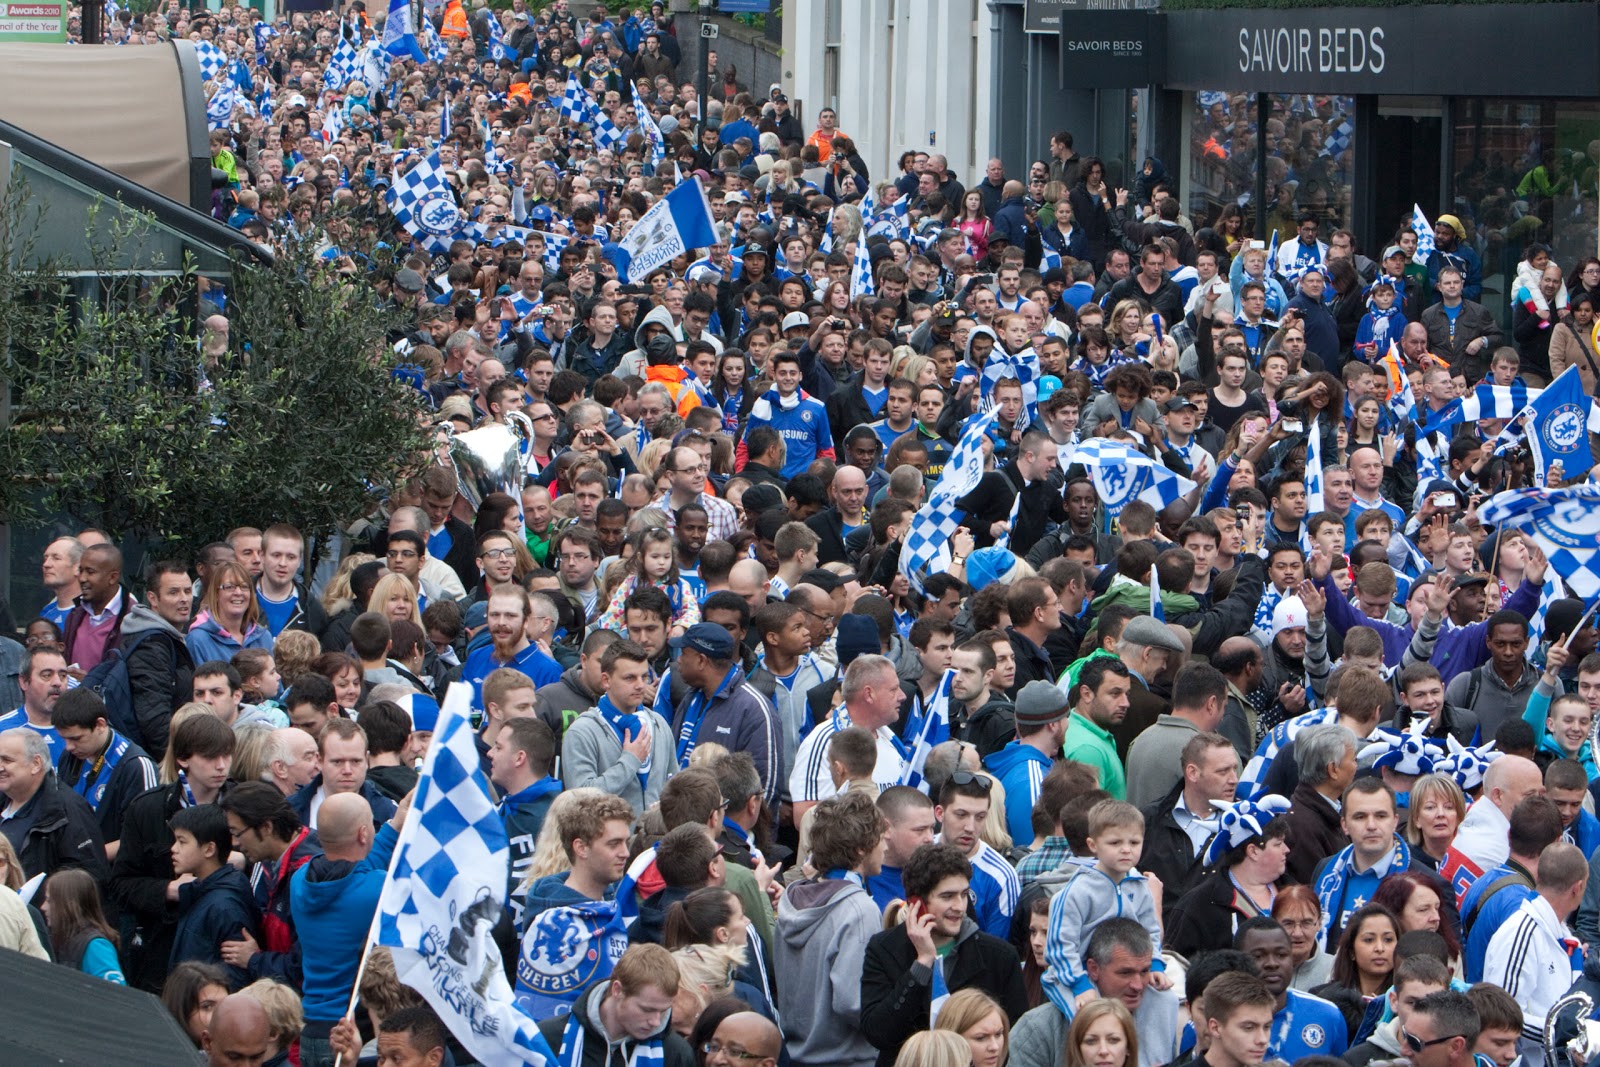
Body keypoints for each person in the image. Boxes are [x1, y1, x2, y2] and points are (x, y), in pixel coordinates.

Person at [860, 843, 1028, 1067]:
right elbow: (878, 1032)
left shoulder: (999, 957)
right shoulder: (883, 949)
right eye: (947, 896)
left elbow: (1014, 1040)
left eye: (964, 894)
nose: (959, 906)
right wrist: (922, 964)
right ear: (916, 903)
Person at [292, 791, 405, 1067]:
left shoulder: (298, 881)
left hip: (310, 1027)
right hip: (350, 1035)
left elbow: (355, 873)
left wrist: (392, 827)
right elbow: (364, 877)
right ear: (364, 834)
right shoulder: (378, 889)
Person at [775, 789, 887, 1067]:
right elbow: (853, 1003)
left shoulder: (792, 898)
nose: (885, 847)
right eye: (882, 839)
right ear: (861, 848)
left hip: (795, 1055)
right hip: (846, 1060)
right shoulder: (859, 909)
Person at [1045, 799, 1169, 1007]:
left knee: (1164, 1001)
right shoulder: (1079, 891)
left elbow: (1151, 931)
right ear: (1093, 845)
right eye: (1115, 843)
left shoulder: (1139, 886)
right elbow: (1060, 944)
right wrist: (1079, 984)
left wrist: (1154, 964)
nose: (1126, 850)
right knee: (1091, 1019)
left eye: (1134, 842)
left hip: (1129, 974)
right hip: (1074, 975)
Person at [1013, 918, 1181, 1067]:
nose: (1138, 985)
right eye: (1125, 973)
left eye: (1144, 972)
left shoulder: (1163, 1015)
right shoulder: (1038, 1028)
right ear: (1094, 969)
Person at [1483, 840, 1588, 1054]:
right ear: (1578, 888)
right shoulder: (1521, 933)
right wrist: (1564, 1035)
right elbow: (1503, 1016)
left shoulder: (1562, 933)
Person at [560, 638, 677, 812]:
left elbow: (673, 784)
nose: (640, 685)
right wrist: (630, 761)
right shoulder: (582, 731)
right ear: (606, 680)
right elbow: (581, 801)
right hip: (606, 837)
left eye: (644, 677)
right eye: (630, 678)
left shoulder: (658, 724)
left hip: (656, 837)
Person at [1168, 795, 1291, 956]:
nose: (1286, 849)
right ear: (1253, 851)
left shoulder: (1292, 891)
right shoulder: (1199, 906)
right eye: (1278, 844)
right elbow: (1176, 966)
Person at [49, 688, 157, 861]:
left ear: (100, 725)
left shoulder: (136, 766)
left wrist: (86, 857)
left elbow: (146, 837)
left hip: (116, 876)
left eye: (76, 738)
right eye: (64, 739)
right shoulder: (69, 756)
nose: (68, 746)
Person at [0, 726, 108, 884]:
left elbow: (88, 879)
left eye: (7, 760)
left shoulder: (67, 811)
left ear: (36, 763)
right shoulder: (5, 800)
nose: (0, 767)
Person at [167, 802, 261, 983]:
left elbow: (234, 977)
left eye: (182, 841)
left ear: (209, 849)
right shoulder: (201, 892)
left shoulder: (225, 906)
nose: (173, 849)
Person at [1233, 917, 1349, 1059]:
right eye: (1258, 956)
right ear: (1237, 962)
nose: (1272, 963)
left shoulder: (1328, 1016)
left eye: (1281, 955)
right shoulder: (1218, 1019)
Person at [984, 681, 1071, 846]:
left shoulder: (1014, 763)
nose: (1068, 724)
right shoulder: (1033, 781)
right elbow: (1034, 852)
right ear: (1053, 725)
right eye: (1066, 718)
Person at [43, 867, 124, 983]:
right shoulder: (56, 938)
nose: (43, 907)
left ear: (69, 905)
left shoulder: (95, 946)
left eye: (49, 901)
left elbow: (115, 995)